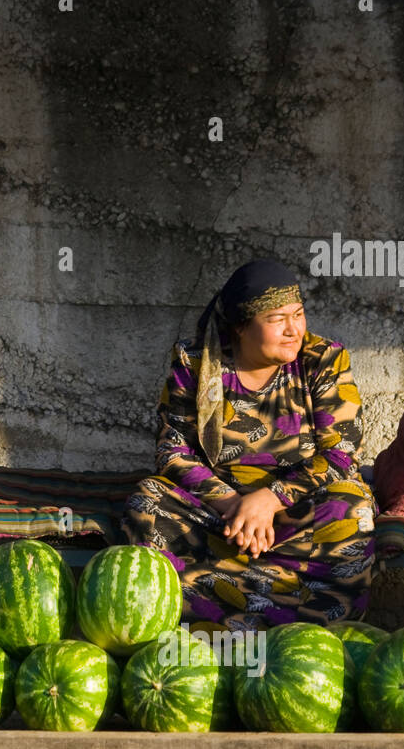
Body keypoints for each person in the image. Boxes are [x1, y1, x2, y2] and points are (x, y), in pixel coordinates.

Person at [121, 259, 376, 632]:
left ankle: (207, 596)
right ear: (241, 326)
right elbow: (172, 449)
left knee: (352, 508)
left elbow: (340, 452)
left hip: (297, 511)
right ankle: (280, 601)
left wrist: (269, 500)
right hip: (220, 517)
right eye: (277, 320)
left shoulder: (323, 359)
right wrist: (236, 508)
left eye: (299, 314)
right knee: (146, 502)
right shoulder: (196, 363)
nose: (294, 330)